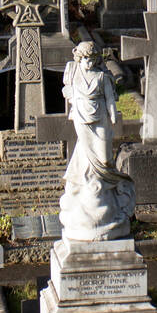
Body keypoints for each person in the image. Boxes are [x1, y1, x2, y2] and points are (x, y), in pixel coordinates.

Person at [59, 43, 136, 241]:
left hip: (100, 117)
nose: (89, 62)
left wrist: (112, 116)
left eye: (93, 59)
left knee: (104, 158)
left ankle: (112, 190)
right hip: (81, 118)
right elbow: (67, 92)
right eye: (86, 59)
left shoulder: (102, 77)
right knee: (85, 153)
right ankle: (87, 190)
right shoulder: (74, 74)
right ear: (79, 59)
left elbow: (110, 98)